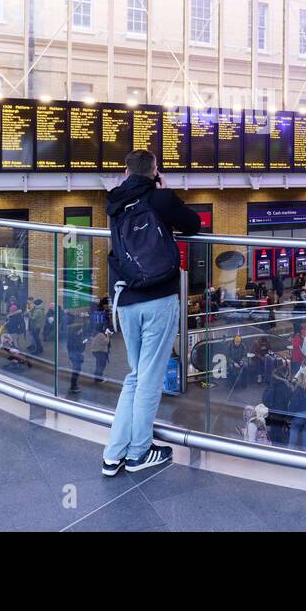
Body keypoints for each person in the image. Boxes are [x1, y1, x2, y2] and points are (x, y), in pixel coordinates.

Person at [100, 150, 201, 477]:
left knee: (135, 375)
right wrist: (165, 190)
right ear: (155, 171)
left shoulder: (114, 204)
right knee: (150, 379)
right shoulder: (160, 198)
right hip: (159, 298)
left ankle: (113, 454)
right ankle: (139, 452)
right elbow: (193, 225)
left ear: (125, 171)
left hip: (126, 298)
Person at [262, 364, 293, 445]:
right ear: (284, 373)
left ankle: (272, 440)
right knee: (278, 427)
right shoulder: (283, 385)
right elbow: (289, 397)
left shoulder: (273, 382)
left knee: (273, 426)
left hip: (272, 408)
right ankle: (277, 443)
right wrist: (290, 388)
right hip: (281, 409)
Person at [288, 371, 306, 451]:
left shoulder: (298, 391)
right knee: (305, 430)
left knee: (294, 429)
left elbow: (294, 405)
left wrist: (289, 416)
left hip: (300, 414)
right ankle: (305, 449)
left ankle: (290, 449)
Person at [65, 311, 87, 394]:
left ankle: (73, 385)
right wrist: (83, 343)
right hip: (75, 355)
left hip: (74, 355)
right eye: (80, 330)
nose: (81, 331)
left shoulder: (73, 337)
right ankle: (73, 386)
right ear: (76, 331)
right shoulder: (75, 339)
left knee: (76, 370)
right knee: (76, 370)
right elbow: (80, 349)